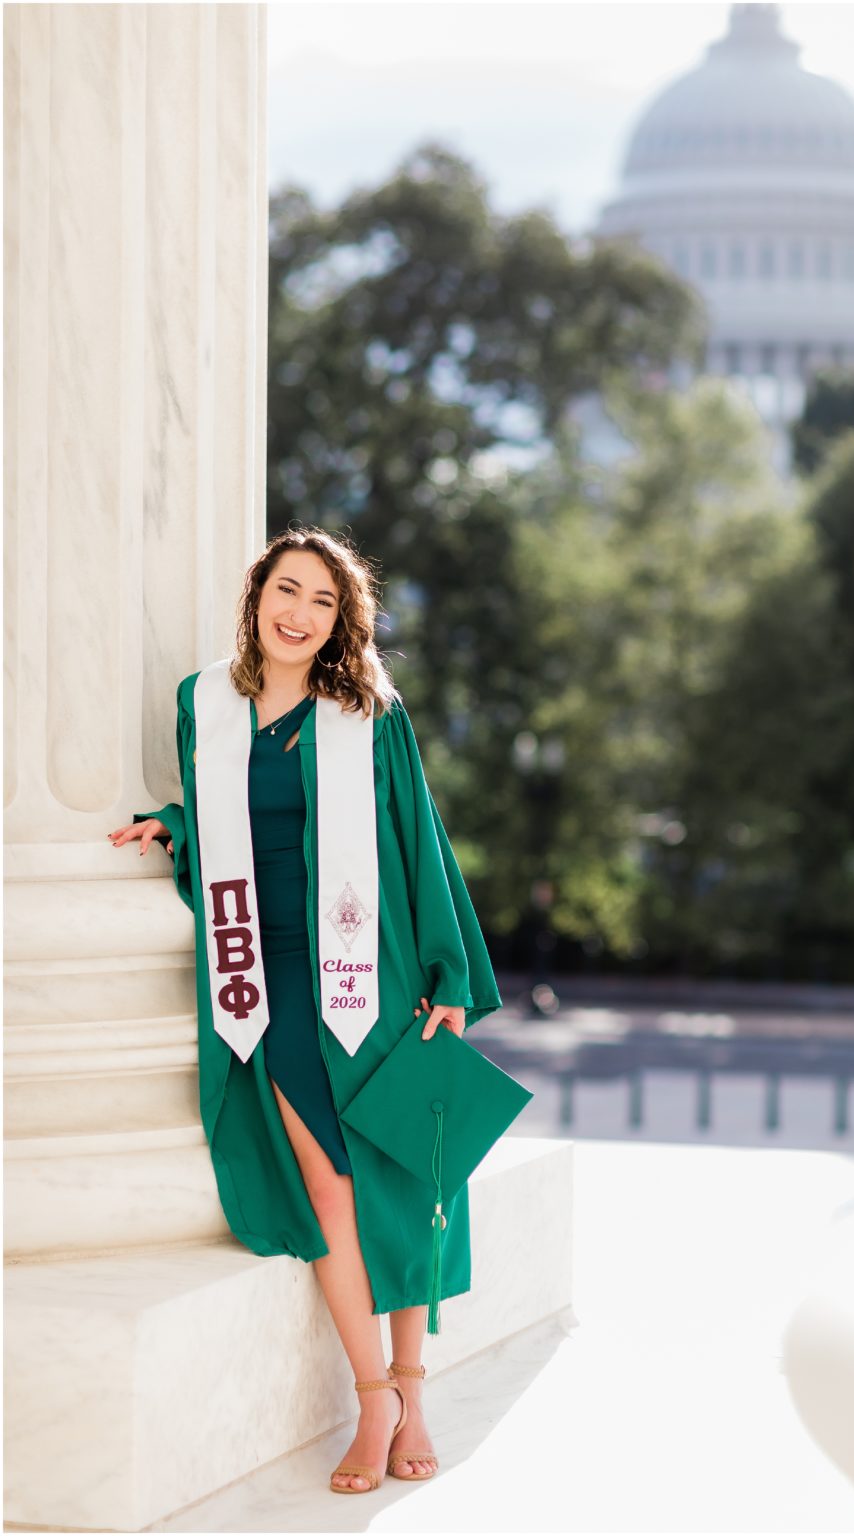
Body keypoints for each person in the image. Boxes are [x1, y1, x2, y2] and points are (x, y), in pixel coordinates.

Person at [108, 526, 502, 1494]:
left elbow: (418, 838)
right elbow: (233, 814)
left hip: (370, 966)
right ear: (256, 597)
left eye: (323, 602)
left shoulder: (366, 710)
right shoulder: (206, 703)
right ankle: (372, 1401)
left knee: (401, 1178)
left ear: (341, 621)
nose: (300, 613)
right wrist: (173, 824)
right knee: (332, 1189)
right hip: (267, 976)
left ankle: (413, 1390)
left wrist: (448, 975)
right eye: (287, 591)